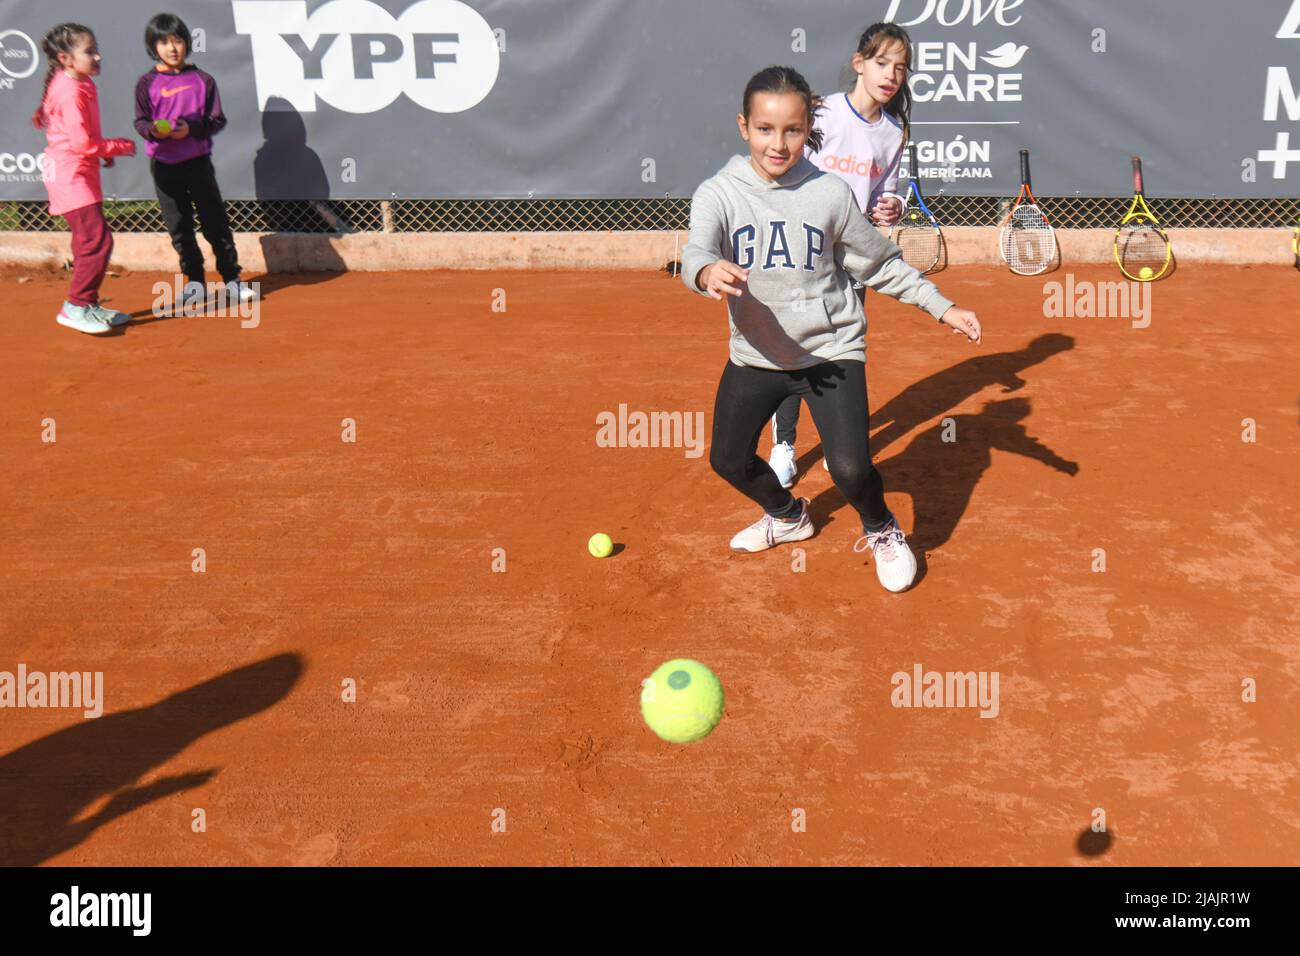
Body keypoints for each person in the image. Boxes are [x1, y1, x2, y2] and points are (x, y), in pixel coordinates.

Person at [681, 65, 981, 593]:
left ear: (807, 131)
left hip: (831, 351)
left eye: (792, 130)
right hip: (757, 356)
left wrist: (941, 306)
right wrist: (706, 271)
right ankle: (789, 515)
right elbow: (698, 250)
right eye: (766, 129)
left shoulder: (830, 194)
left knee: (850, 469)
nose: (779, 143)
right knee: (727, 460)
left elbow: (879, 265)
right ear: (743, 127)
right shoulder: (719, 193)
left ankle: (882, 528)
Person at [769, 22, 915, 488]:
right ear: (859, 63)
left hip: (851, 258)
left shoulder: (893, 132)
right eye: (881, 62)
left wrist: (894, 206)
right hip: (800, 251)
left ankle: (839, 445)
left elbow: (884, 194)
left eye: (900, 67)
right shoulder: (823, 113)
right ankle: (784, 446)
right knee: (791, 351)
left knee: (840, 351)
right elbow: (780, 160)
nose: (891, 74)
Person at [134, 12, 254, 310]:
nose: (172, 48)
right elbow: (141, 121)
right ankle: (195, 283)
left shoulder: (203, 80)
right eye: (163, 42)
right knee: (180, 227)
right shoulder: (146, 83)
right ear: (153, 46)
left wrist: (192, 129)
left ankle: (232, 280)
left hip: (198, 163)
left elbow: (216, 119)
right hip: (163, 166)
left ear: (187, 43)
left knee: (215, 223)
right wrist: (154, 130)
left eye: (177, 40)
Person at [32, 23, 137, 335]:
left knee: (90, 240)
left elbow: (80, 136)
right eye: (89, 51)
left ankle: (87, 304)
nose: (97, 55)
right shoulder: (71, 89)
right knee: (95, 240)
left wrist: (99, 150)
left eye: (95, 48)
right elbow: (80, 144)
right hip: (70, 173)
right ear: (66, 58)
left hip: (77, 170)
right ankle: (76, 306)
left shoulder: (79, 82)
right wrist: (118, 147)